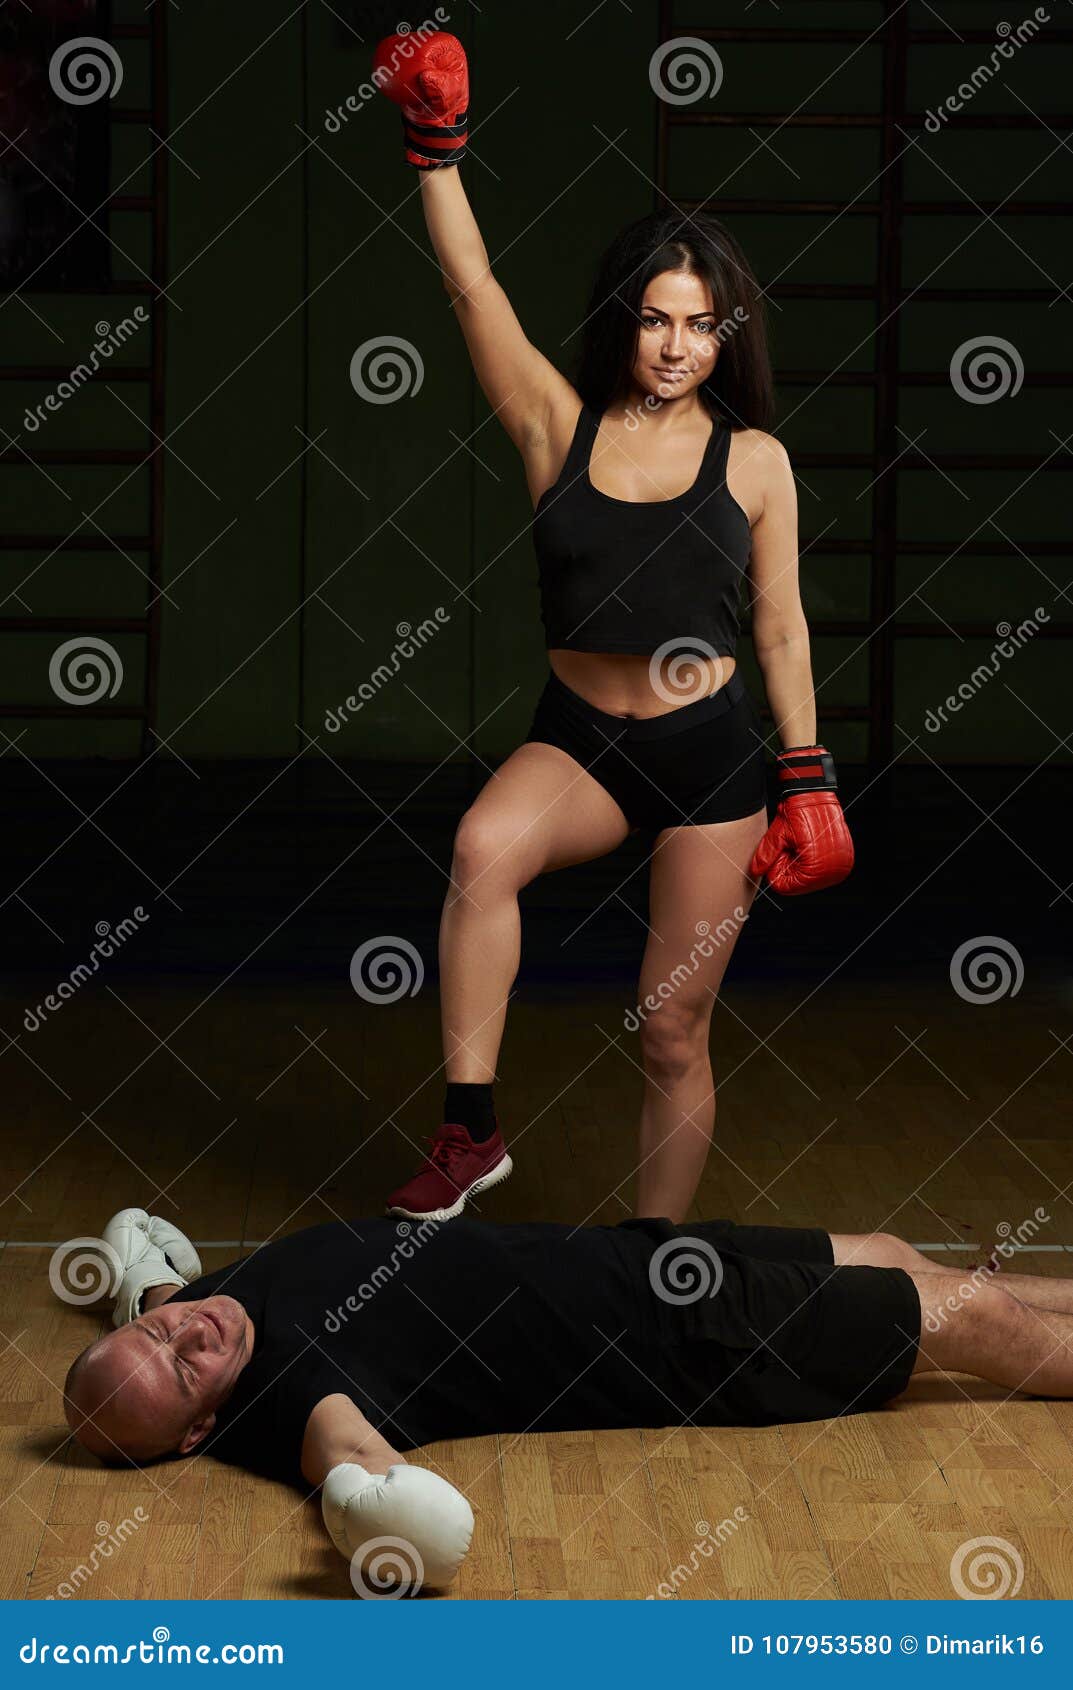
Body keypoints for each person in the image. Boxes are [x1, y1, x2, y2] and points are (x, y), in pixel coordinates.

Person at [369, 32, 853, 1227]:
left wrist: (804, 771)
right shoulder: (554, 428)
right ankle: (469, 1131)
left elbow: (781, 628)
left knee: (670, 1029)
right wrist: (434, 153)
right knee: (482, 850)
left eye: (700, 325)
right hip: (579, 739)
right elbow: (471, 288)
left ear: (724, 333)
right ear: (623, 323)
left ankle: (655, 1258)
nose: (676, 346)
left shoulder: (755, 461)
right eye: (655, 321)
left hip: (708, 761)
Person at [63, 1208, 1073, 1593]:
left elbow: (146, 1271)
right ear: (201, 1428)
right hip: (695, 1338)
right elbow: (357, 1465)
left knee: (897, 1258)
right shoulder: (292, 1393)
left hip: (646, 1253)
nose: (191, 1331)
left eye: (160, 1330)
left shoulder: (191, 1310)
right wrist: (373, 1507)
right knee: (964, 1323)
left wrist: (143, 1292)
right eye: (184, 1365)